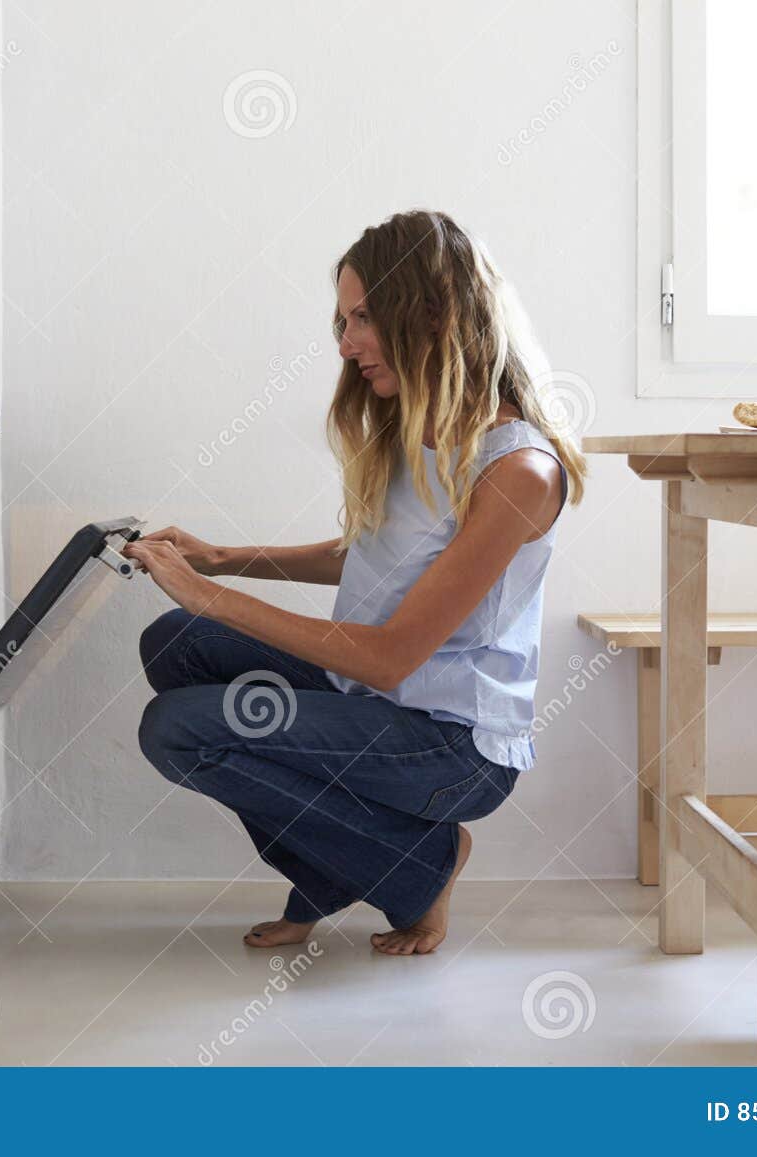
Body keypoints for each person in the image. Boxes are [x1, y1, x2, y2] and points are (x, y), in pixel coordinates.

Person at [127, 209, 587, 955]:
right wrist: (220, 559)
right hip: (376, 705)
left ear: (432, 314)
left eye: (364, 317)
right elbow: (365, 557)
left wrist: (208, 593)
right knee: (177, 645)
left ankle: (423, 865)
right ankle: (343, 867)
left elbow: (389, 655)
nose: (345, 344)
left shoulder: (518, 472)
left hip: (450, 746)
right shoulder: (419, 428)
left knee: (179, 728)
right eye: (343, 320)